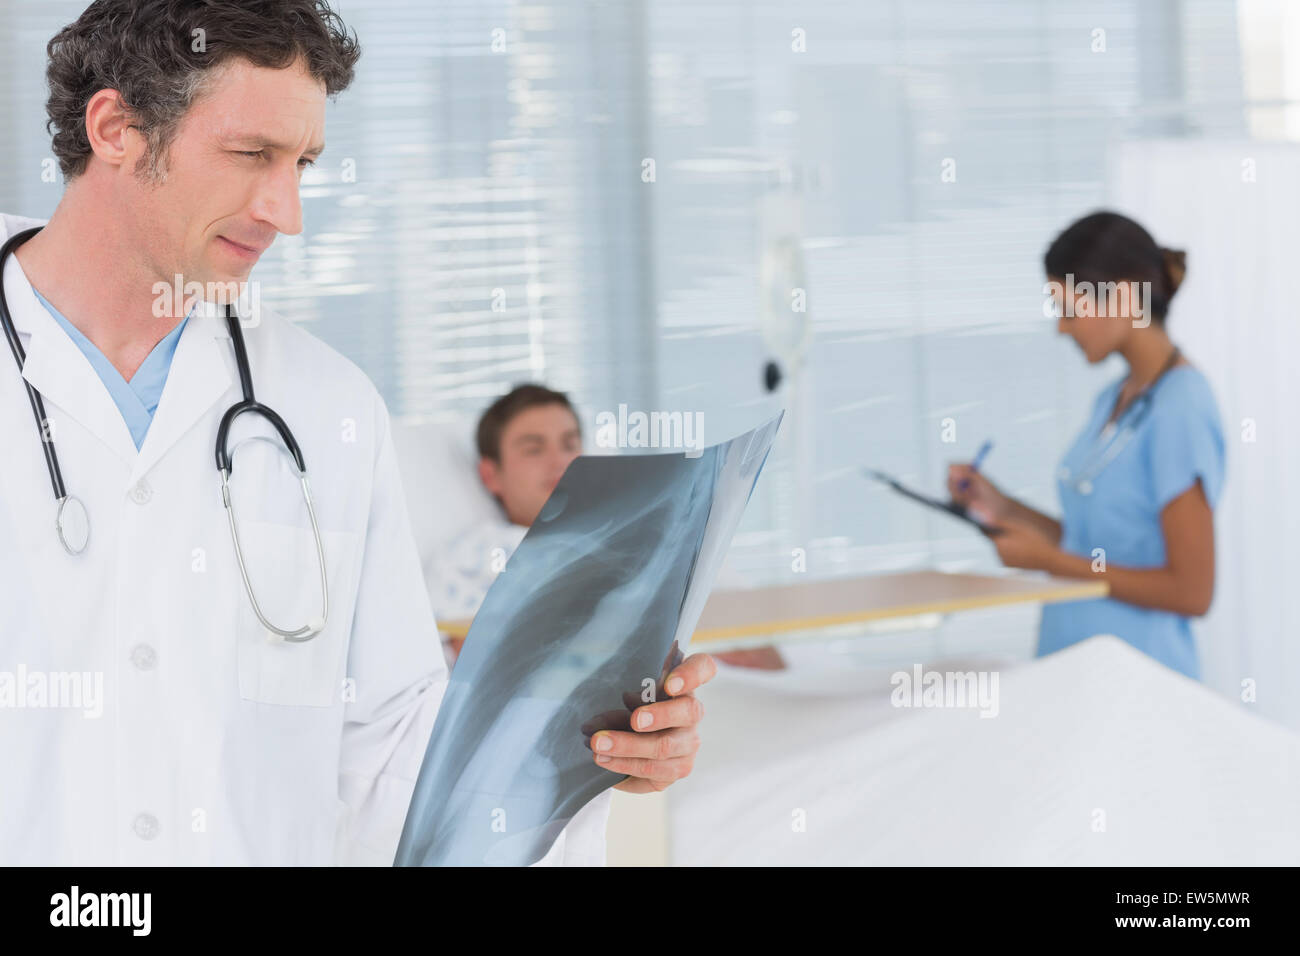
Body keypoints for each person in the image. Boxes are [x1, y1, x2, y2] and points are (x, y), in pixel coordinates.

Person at [0, 0, 714, 866]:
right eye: (251, 155)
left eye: (301, 162)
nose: (286, 211)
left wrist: (592, 744)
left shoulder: (326, 406)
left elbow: (389, 743)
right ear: (115, 127)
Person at [948, 211, 1225, 680]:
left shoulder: (1181, 408)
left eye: (1069, 310)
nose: (1062, 328)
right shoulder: (1112, 401)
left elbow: (1191, 591)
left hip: (1141, 686)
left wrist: (1049, 563)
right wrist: (1004, 507)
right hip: (1076, 679)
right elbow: (1092, 547)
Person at [431, 384, 786, 670]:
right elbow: (480, 671)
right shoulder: (472, 558)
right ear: (490, 475)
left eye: (570, 444)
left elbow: (760, 653)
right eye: (533, 449)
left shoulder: (645, 535)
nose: (560, 462)